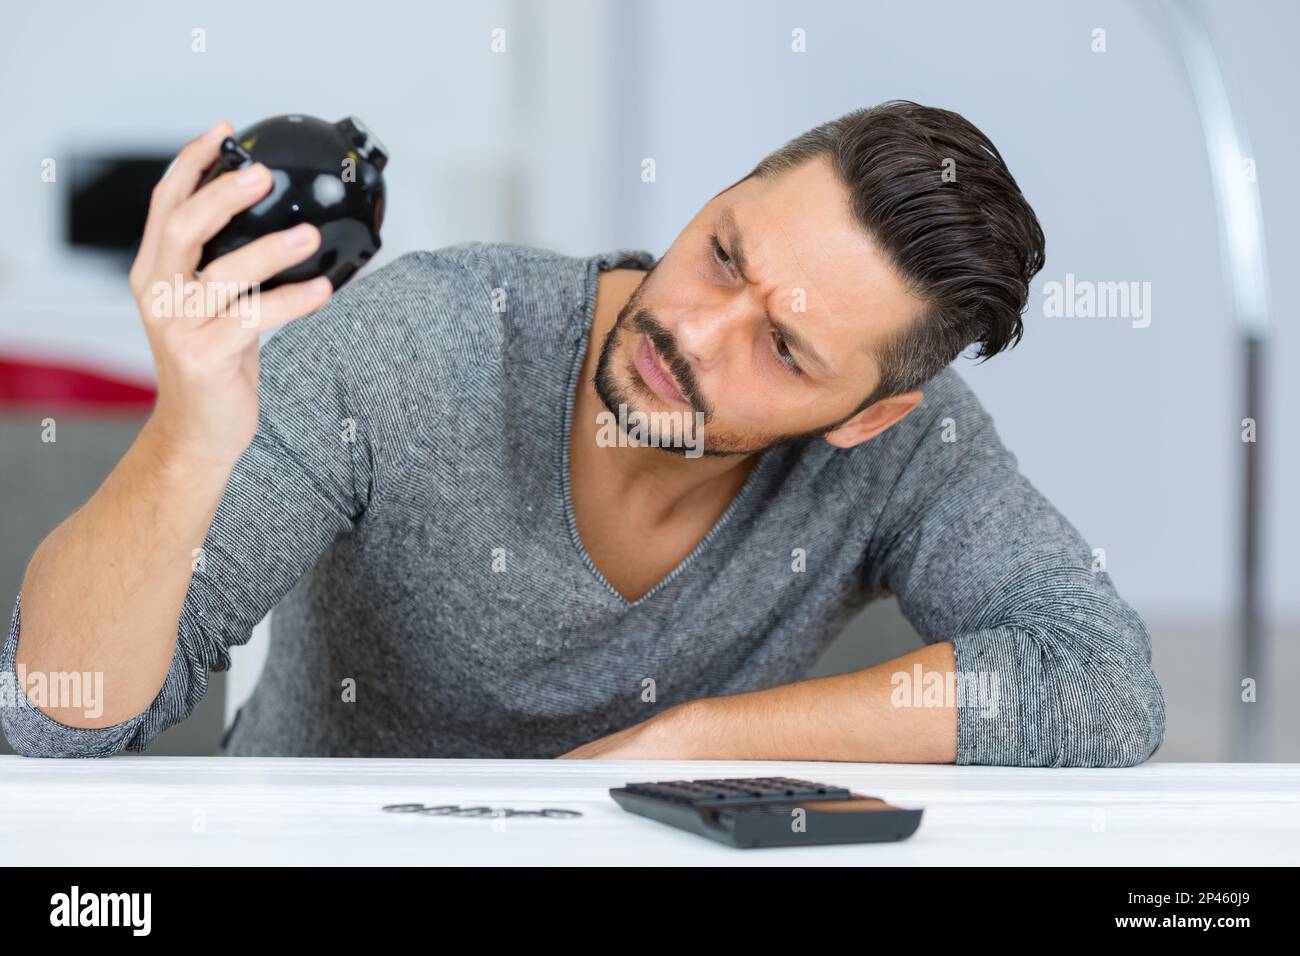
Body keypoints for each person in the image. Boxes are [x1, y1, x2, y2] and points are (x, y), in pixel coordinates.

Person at [1, 101, 1164, 765]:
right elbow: (52, 715)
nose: (697, 333)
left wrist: (691, 738)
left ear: (865, 416)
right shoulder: (422, 340)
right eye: (722, 252)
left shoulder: (911, 449)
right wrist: (191, 435)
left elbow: (1099, 681)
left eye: (784, 350)